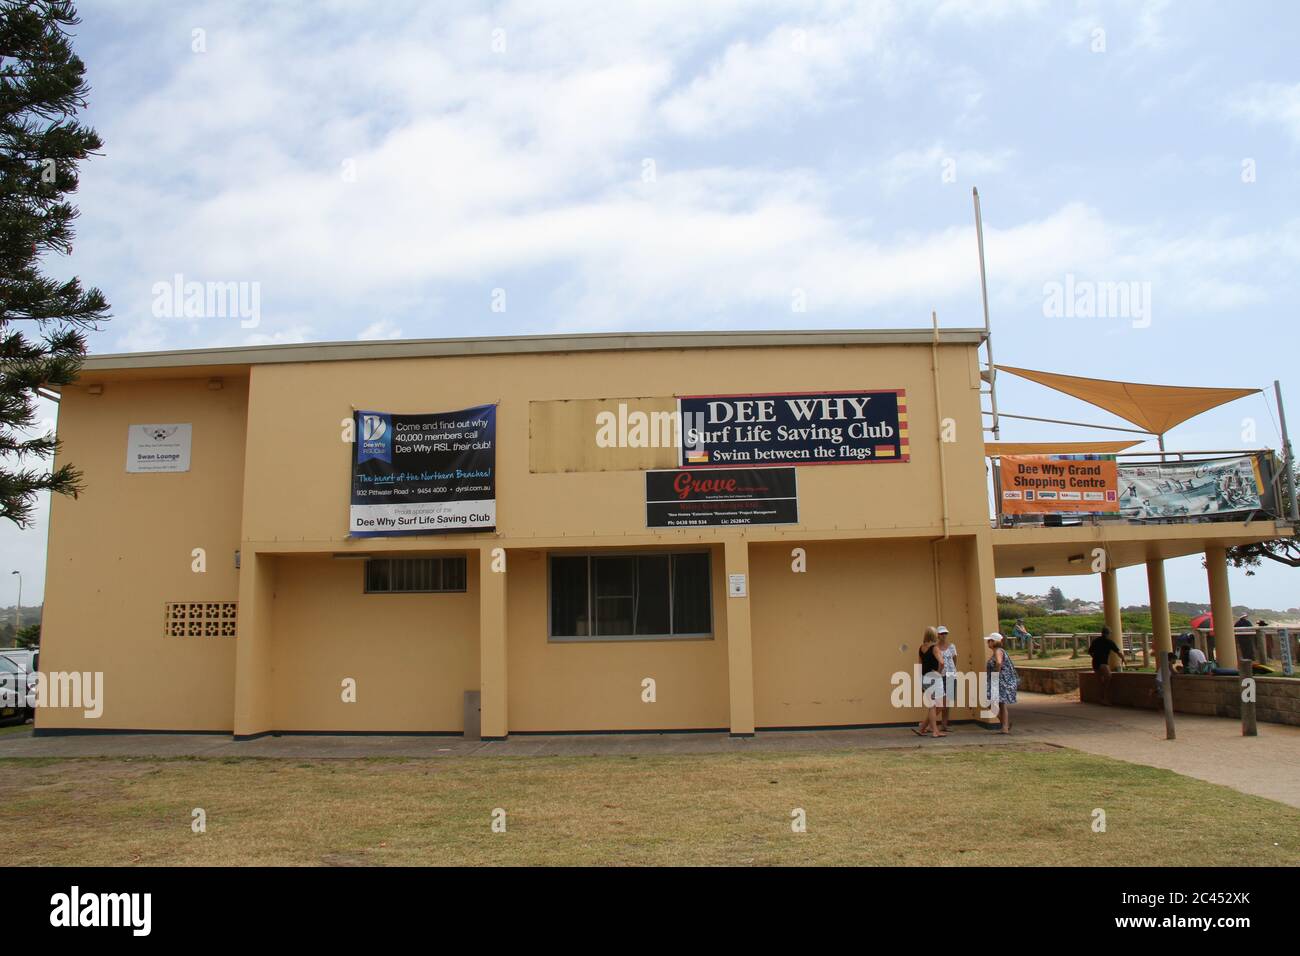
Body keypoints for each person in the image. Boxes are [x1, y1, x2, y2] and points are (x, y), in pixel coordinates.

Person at [914, 628, 948, 738]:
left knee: (933, 705)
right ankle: (935, 731)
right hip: (934, 678)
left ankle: (923, 728)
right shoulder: (935, 648)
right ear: (934, 635)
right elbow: (942, 663)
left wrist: (920, 682)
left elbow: (919, 665)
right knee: (936, 705)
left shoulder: (921, 648)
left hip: (924, 677)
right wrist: (938, 672)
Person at [984, 632, 1018, 733]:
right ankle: (1005, 725)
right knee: (999, 703)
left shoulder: (998, 651)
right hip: (1000, 680)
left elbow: (999, 662)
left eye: (989, 641)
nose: (987, 642)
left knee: (996, 703)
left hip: (1000, 681)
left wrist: (996, 674)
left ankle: (1005, 726)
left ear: (994, 642)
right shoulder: (998, 651)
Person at [1088, 626, 1122, 705]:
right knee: (1108, 677)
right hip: (1103, 663)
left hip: (1095, 662)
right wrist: (1123, 659)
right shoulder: (1109, 642)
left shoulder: (1095, 640)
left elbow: (1090, 652)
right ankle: (1105, 697)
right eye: (1110, 633)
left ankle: (1101, 698)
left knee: (1100, 681)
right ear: (1108, 633)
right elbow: (1118, 652)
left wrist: (1095, 657)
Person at [936, 625, 958, 732]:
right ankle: (932, 722)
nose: (944, 635)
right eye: (941, 633)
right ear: (938, 635)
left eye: (945, 633)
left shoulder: (951, 646)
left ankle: (944, 724)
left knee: (948, 701)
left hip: (950, 675)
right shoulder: (935, 648)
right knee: (939, 700)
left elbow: (954, 659)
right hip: (940, 676)